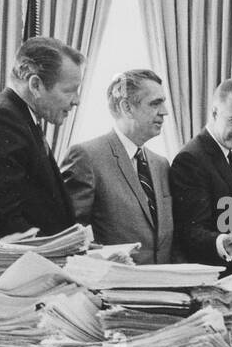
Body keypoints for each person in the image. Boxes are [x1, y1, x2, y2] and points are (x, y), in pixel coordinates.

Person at [0, 37, 83, 238]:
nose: (76, 101)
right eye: (69, 90)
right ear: (35, 85)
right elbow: (3, 220)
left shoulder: (20, 119)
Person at [62, 69, 175, 264]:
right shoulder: (86, 156)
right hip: (113, 288)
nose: (164, 111)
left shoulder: (161, 164)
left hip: (166, 290)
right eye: (155, 103)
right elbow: (70, 238)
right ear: (127, 108)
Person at [169, 79, 232, 270]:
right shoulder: (190, 158)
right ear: (215, 113)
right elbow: (188, 231)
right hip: (210, 276)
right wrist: (221, 243)